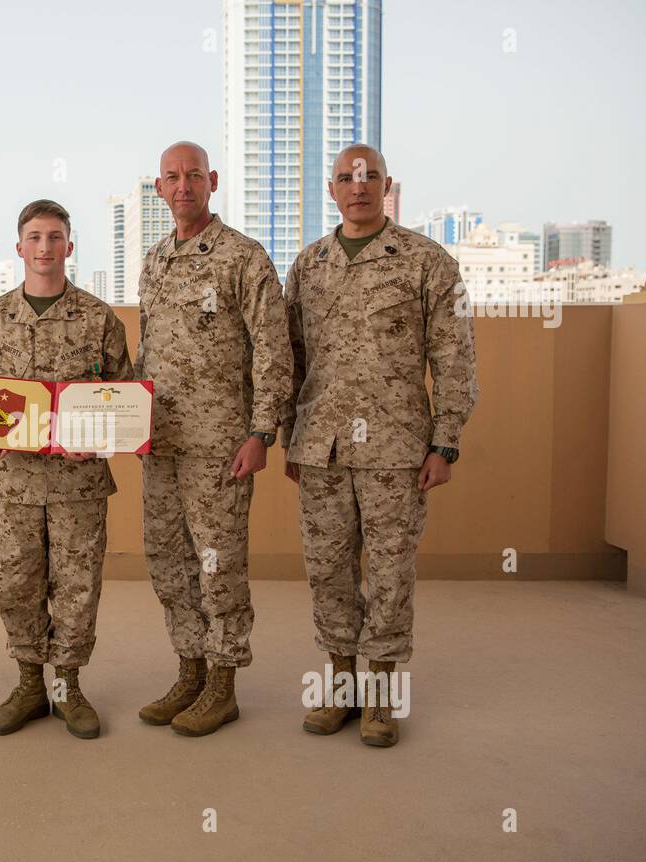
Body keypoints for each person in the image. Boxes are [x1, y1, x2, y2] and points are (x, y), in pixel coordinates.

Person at [280, 144, 478, 747]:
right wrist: (291, 438)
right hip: (322, 448)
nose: (357, 187)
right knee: (329, 571)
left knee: (390, 573)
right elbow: (290, 358)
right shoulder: (308, 266)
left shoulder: (426, 262)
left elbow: (454, 356)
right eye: (345, 178)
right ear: (332, 189)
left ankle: (383, 696)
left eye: (368, 178)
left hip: (396, 448)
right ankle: (341, 688)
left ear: (386, 185)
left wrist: (445, 443)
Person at [135, 142, 293, 737]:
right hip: (161, 443)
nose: (183, 186)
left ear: (213, 181)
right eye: (172, 177)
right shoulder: (154, 261)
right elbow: (148, 352)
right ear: (159, 188)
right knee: (168, 562)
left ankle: (223, 684)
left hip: (220, 447)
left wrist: (262, 432)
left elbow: (273, 352)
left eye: (194, 175)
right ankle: (190, 669)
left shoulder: (243, 258)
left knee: (216, 563)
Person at [0, 200, 134, 739]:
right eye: (34, 237)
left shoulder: (98, 318)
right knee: (17, 582)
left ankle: (68, 686)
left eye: (54, 236)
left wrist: (99, 441)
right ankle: (29, 684)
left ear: (69, 246)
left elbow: (122, 396)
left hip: (77, 484)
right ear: (19, 247)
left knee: (78, 585)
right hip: (12, 483)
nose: (44, 247)